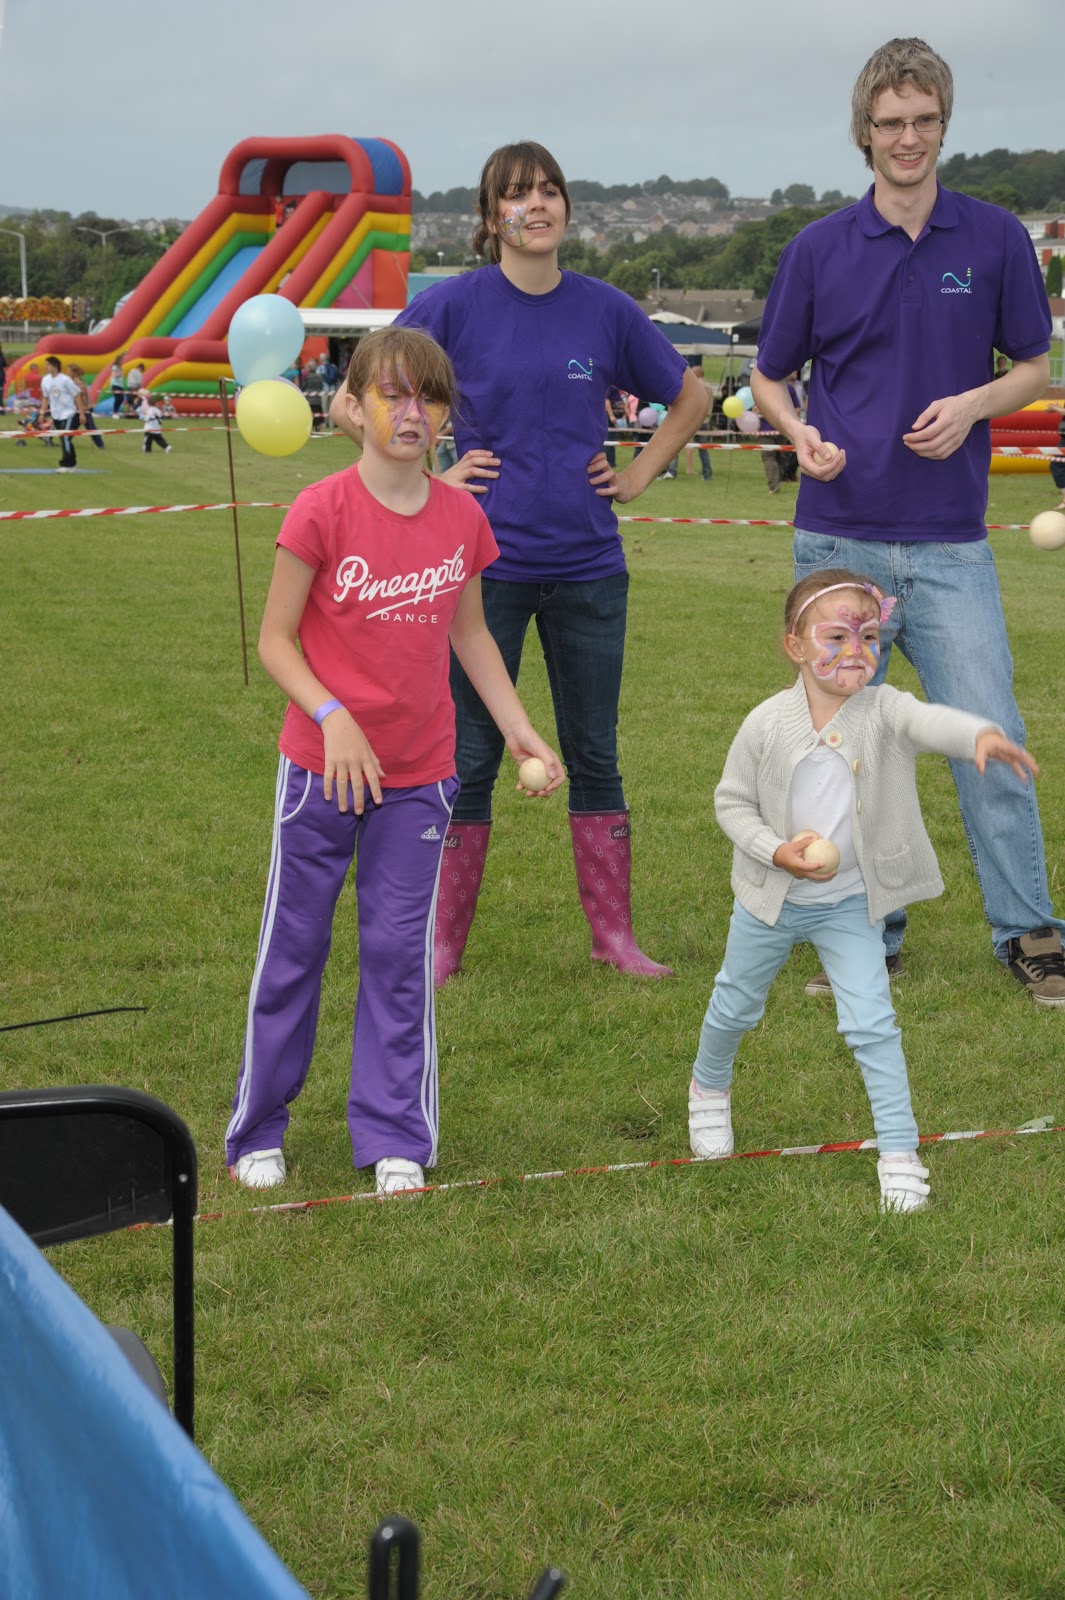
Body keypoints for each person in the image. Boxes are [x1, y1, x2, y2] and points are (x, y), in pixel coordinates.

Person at [331, 141, 707, 986]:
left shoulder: (606, 310)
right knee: (468, 757)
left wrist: (640, 471)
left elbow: (692, 395)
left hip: (588, 568)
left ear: (566, 206)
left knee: (594, 751)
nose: (534, 205)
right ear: (489, 215)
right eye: (515, 194)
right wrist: (428, 477)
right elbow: (352, 402)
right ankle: (441, 945)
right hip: (482, 575)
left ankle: (613, 939)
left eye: (547, 191)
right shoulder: (452, 307)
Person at [751, 36, 1065, 1008]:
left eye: (924, 121)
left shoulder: (994, 240)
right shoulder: (818, 249)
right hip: (837, 536)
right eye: (890, 123)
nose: (908, 138)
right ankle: (864, 938)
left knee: (990, 739)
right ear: (865, 132)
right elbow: (769, 375)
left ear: (943, 125)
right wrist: (799, 432)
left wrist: (974, 406)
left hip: (949, 543)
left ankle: (1031, 934)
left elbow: (1034, 368)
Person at [226, 326, 562, 1194]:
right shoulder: (321, 508)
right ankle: (258, 1128)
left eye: (429, 398)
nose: (412, 413)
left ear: (446, 414)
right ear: (357, 404)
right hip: (321, 769)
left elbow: (472, 633)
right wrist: (331, 715)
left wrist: (519, 727)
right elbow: (274, 641)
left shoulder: (462, 517)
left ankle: (392, 1136)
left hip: (420, 776)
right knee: (293, 947)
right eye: (393, 394)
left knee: (396, 953)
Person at [688, 570, 1038, 1212]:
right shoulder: (766, 724)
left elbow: (930, 721)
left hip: (851, 904)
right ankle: (709, 1088)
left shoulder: (884, 710)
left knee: (873, 1023)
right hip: (770, 902)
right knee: (735, 1003)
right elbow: (731, 804)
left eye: (869, 635)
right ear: (795, 645)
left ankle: (899, 1151)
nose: (855, 650)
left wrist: (977, 736)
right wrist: (776, 851)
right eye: (837, 636)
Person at [39, 356, 84, 471]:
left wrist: (82, 413)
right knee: (64, 439)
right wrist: (42, 413)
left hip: (68, 413)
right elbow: (45, 397)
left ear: (55, 366)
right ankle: (72, 463)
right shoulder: (45, 380)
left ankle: (67, 464)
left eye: (48, 364)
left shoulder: (65, 379)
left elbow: (77, 394)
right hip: (56, 414)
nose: (46, 367)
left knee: (65, 438)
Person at [68, 364, 104, 450]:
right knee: (73, 426)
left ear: (74, 373)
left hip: (84, 408)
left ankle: (100, 444)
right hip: (81, 408)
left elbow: (79, 396)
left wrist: (81, 411)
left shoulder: (77, 383)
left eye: (69, 371)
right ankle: (66, 441)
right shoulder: (77, 381)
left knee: (90, 427)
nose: (67, 373)